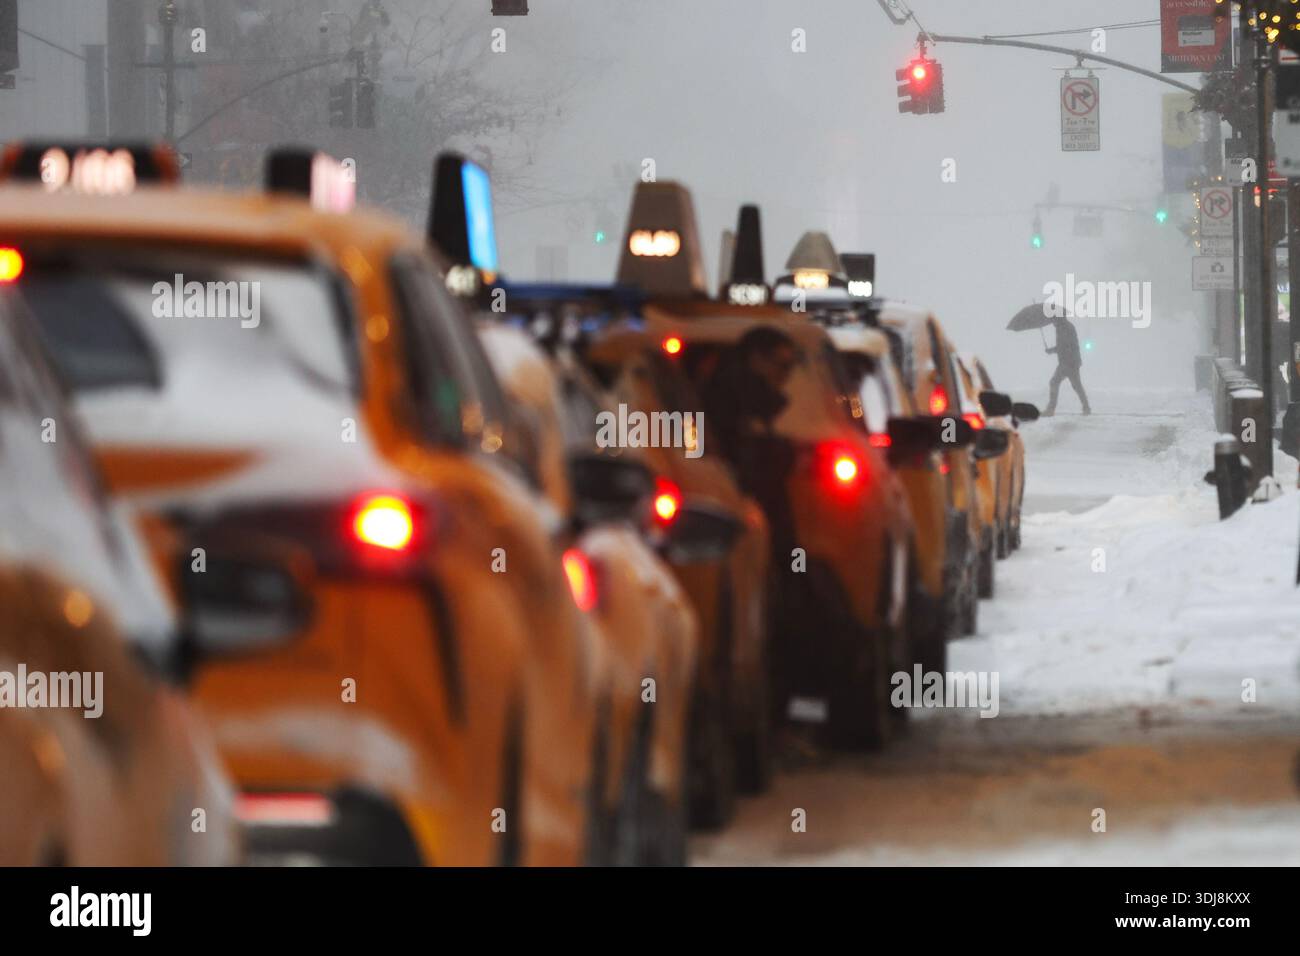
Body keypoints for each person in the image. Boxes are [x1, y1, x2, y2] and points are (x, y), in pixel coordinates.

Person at [1043, 315, 1090, 416]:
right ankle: (1086, 408)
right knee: (1076, 385)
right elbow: (1065, 345)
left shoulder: (1063, 328)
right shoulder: (1066, 326)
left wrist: (1051, 350)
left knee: (1055, 382)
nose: (1052, 323)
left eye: (1053, 320)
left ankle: (1051, 410)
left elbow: (1064, 346)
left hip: (1068, 362)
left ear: (1057, 318)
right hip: (1071, 361)